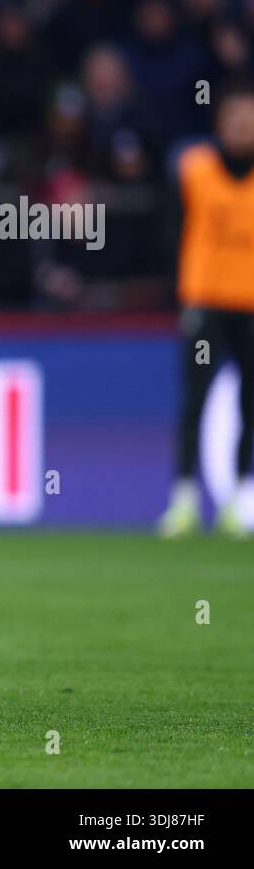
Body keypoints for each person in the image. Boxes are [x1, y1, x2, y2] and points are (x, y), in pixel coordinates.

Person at [158, 77, 254, 539]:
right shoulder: (193, 169)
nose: (243, 128)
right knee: (194, 400)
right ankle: (184, 500)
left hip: (251, 305)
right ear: (219, 123)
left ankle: (239, 498)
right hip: (206, 302)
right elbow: (169, 229)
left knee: (250, 401)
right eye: (236, 119)